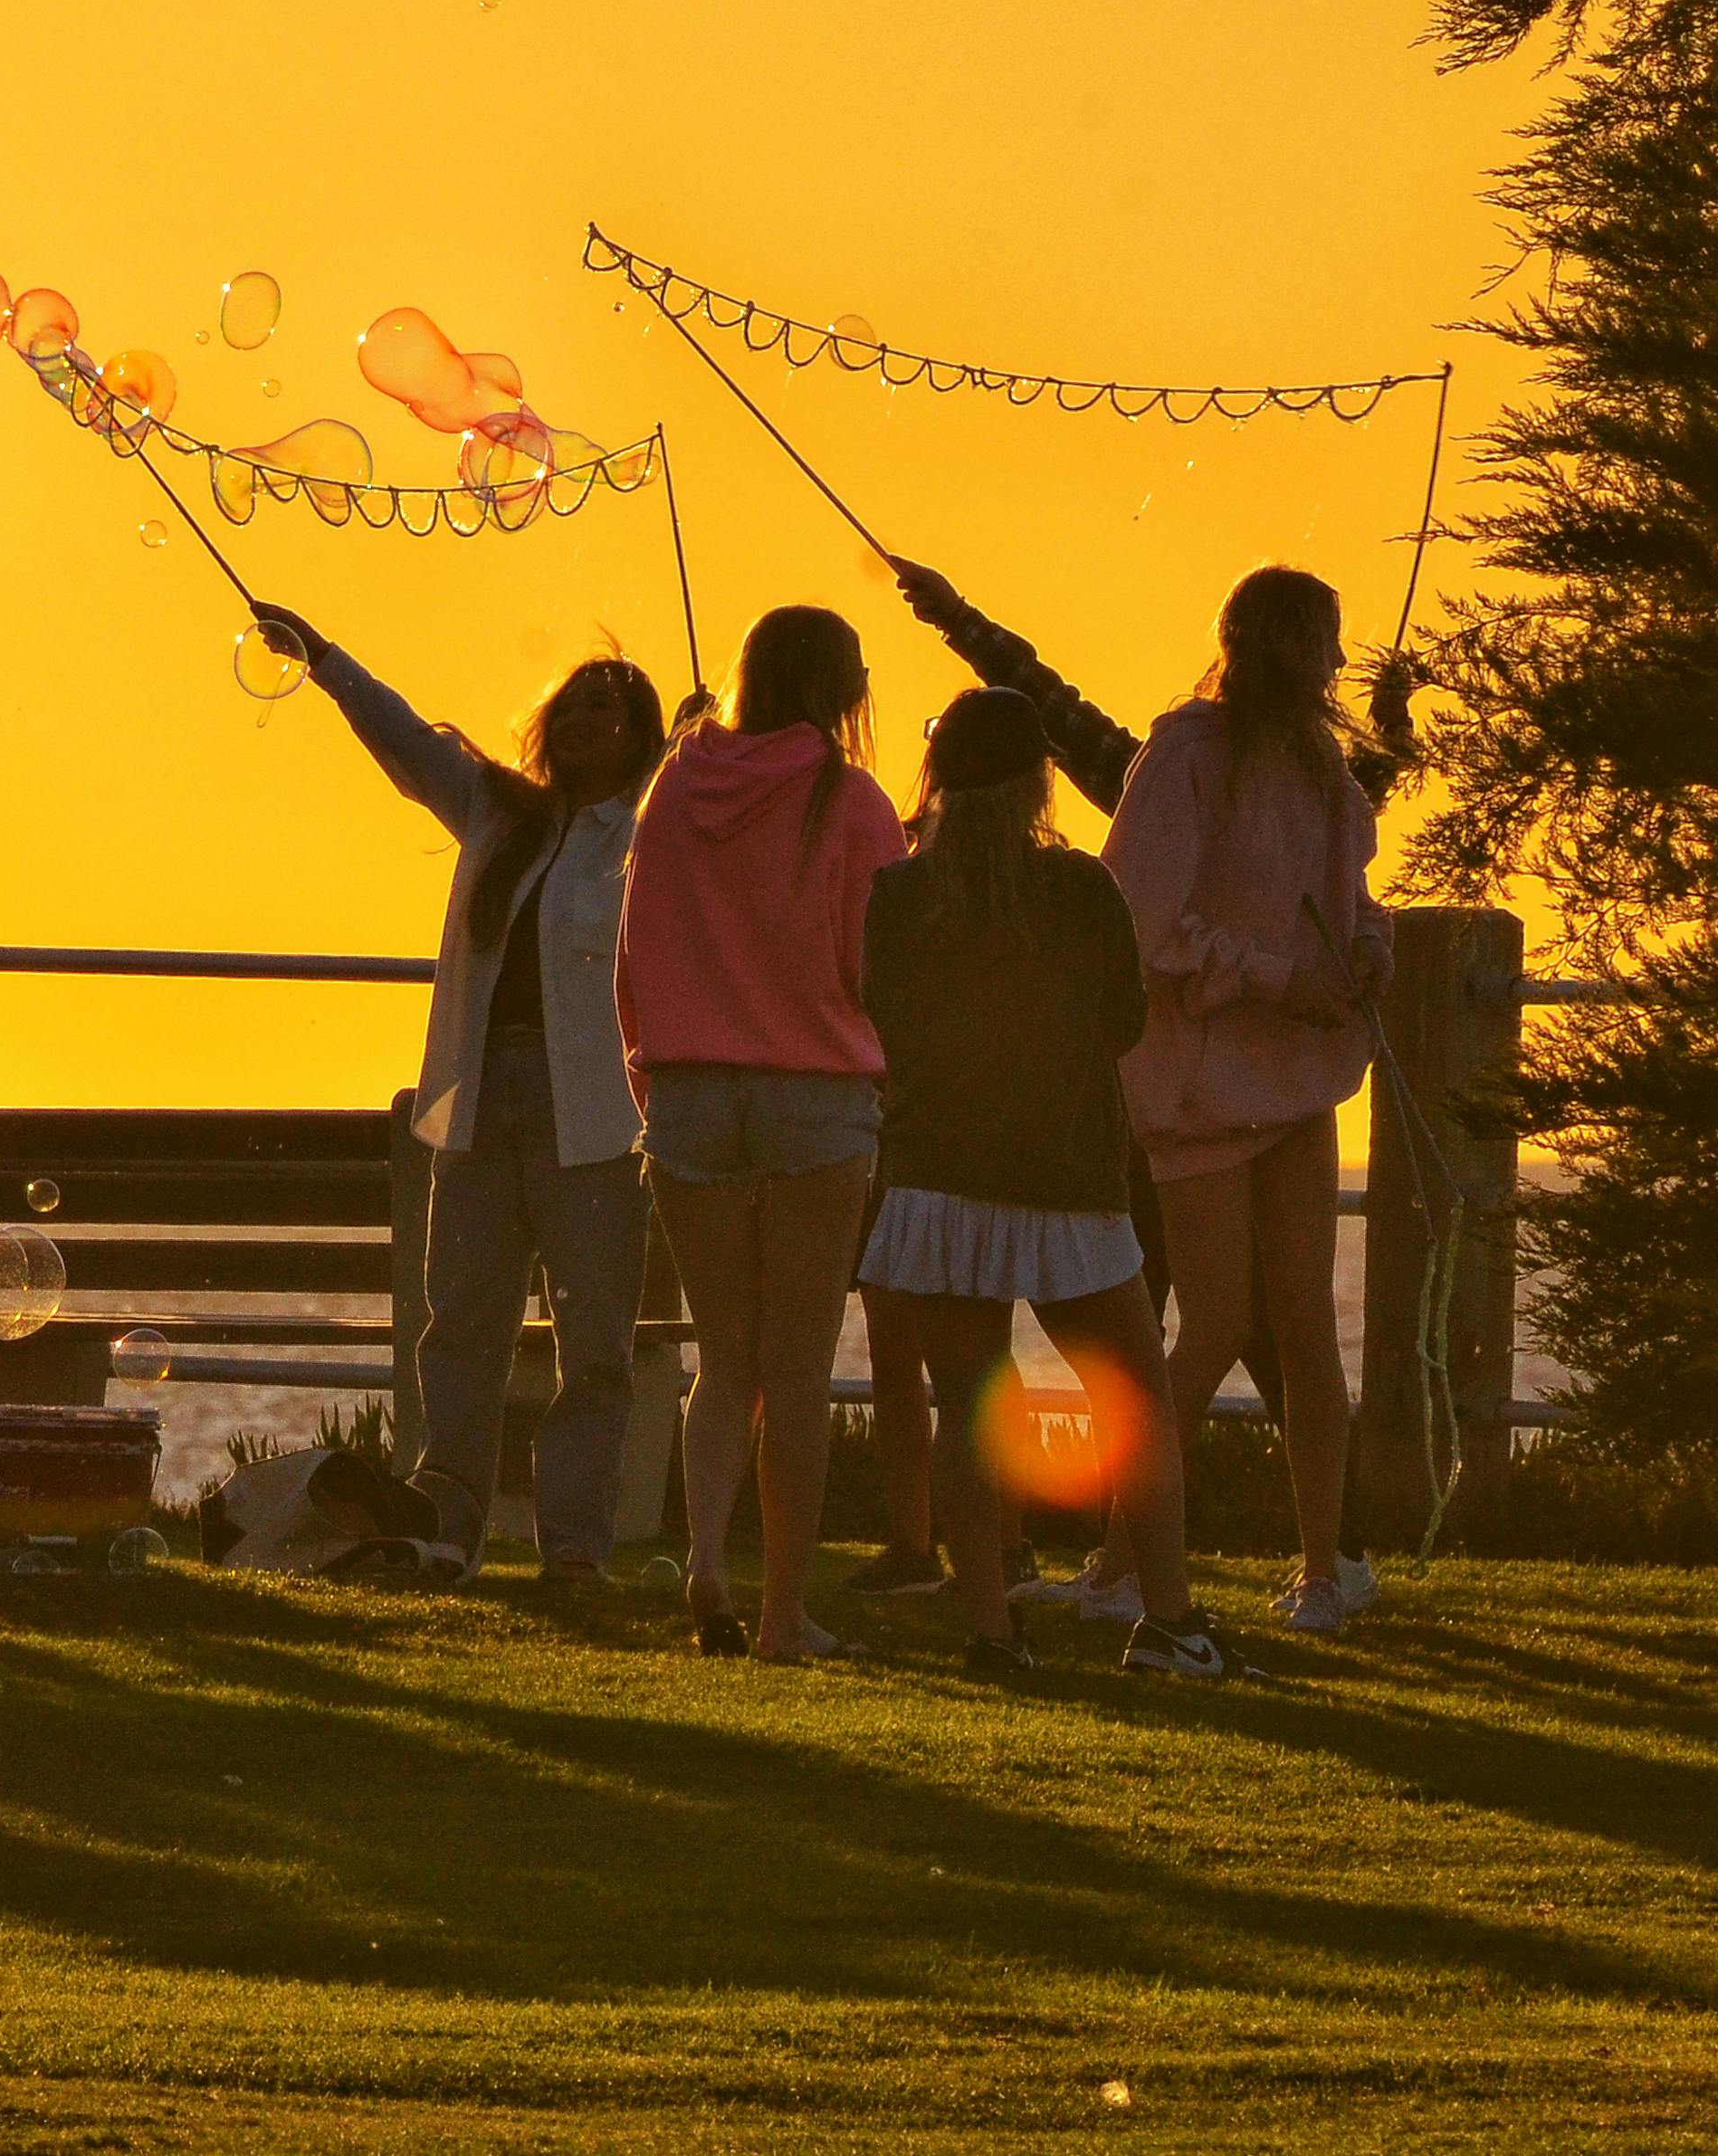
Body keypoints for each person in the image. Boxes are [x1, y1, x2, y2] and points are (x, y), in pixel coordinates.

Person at [894, 558, 1399, 1634]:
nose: (1338, 665)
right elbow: (1146, 920)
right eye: (1323, 643)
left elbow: (1350, 895)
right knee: (1211, 1318)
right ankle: (1127, 1558)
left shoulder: (1321, 770)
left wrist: (1366, 951)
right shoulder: (1182, 754)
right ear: (1281, 645)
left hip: (1296, 1076)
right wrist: (1273, 976)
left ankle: (1323, 1568)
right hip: (1198, 1087)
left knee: (1304, 1321)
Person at [258, 602, 664, 1586]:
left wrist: (692, 751)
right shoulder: (497, 811)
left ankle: (573, 1552)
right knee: (460, 1329)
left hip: (598, 1112)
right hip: (483, 1096)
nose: (581, 721)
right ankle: (446, 1535)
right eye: (570, 705)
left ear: (642, 736)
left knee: (596, 1343)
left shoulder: (653, 829)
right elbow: (400, 736)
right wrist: (322, 653)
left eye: (606, 707)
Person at [858, 689, 1239, 1682]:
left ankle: (991, 1629)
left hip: (935, 1177)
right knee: (1134, 1396)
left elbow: (881, 1024)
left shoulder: (894, 898)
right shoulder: (1074, 889)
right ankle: (1166, 1619)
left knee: (967, 1405)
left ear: (935, 779)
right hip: (1065, 1177)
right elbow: (1121, 1020)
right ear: (1035, 779)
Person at [618, 605, 906, 1662]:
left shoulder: (673, 788)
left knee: (720, 1357)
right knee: (794, 1367)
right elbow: (870, 963)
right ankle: (783, 1613)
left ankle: (702, 1559)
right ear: (836, 686)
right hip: (813, 1100)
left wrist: (650, 1069)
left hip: (690, 1096)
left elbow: (631, 951)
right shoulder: (853, 801)